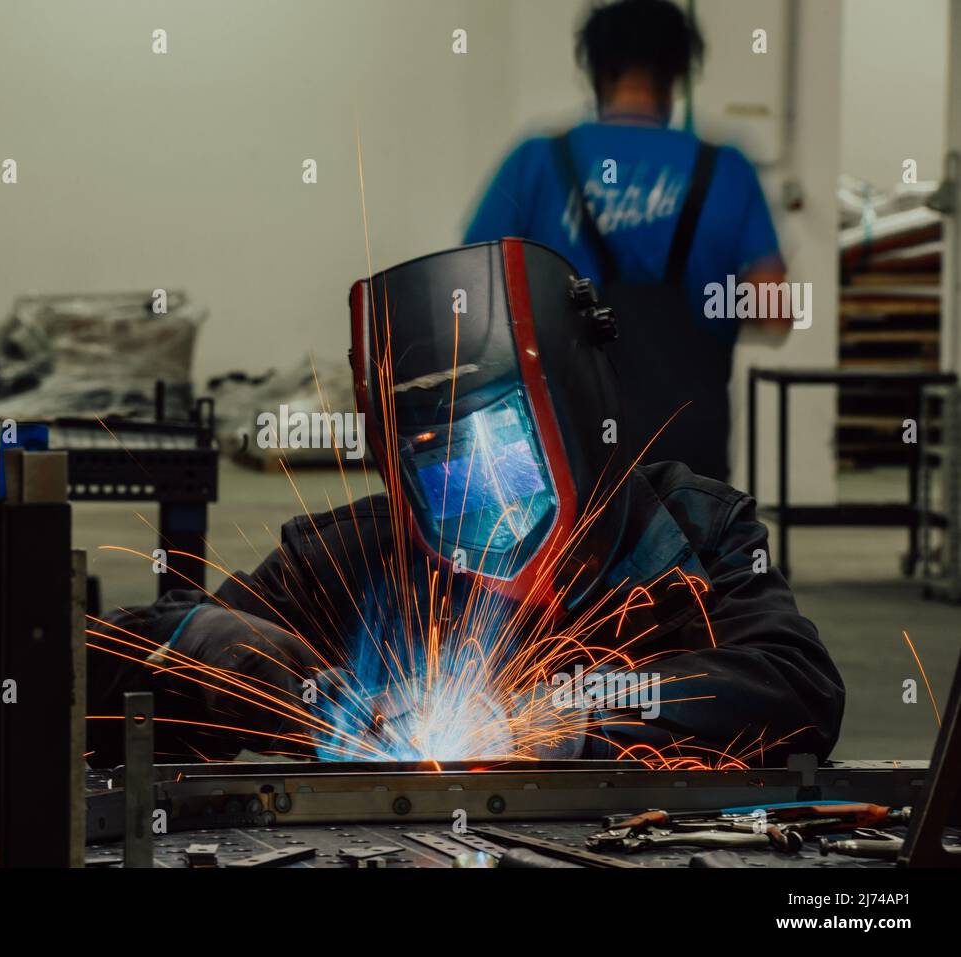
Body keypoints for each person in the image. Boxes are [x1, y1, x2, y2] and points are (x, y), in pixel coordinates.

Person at [88, 240, 843, 767]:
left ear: (572, 421)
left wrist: (571, 714)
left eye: (503, 456)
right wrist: (198, 647)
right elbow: (93, 691)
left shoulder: (694, 528)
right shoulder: (356, 554)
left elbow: (796, 686)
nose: (482, 499)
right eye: (441, 475)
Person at [463, 0, 789, 481]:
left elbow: (472, 293)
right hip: (686, 455)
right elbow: (775, 313)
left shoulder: (537, 161)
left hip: (563, 445)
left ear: (593, 69)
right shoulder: (727, 169)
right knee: (688, 552)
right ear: (679, 74)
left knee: (570, 556)